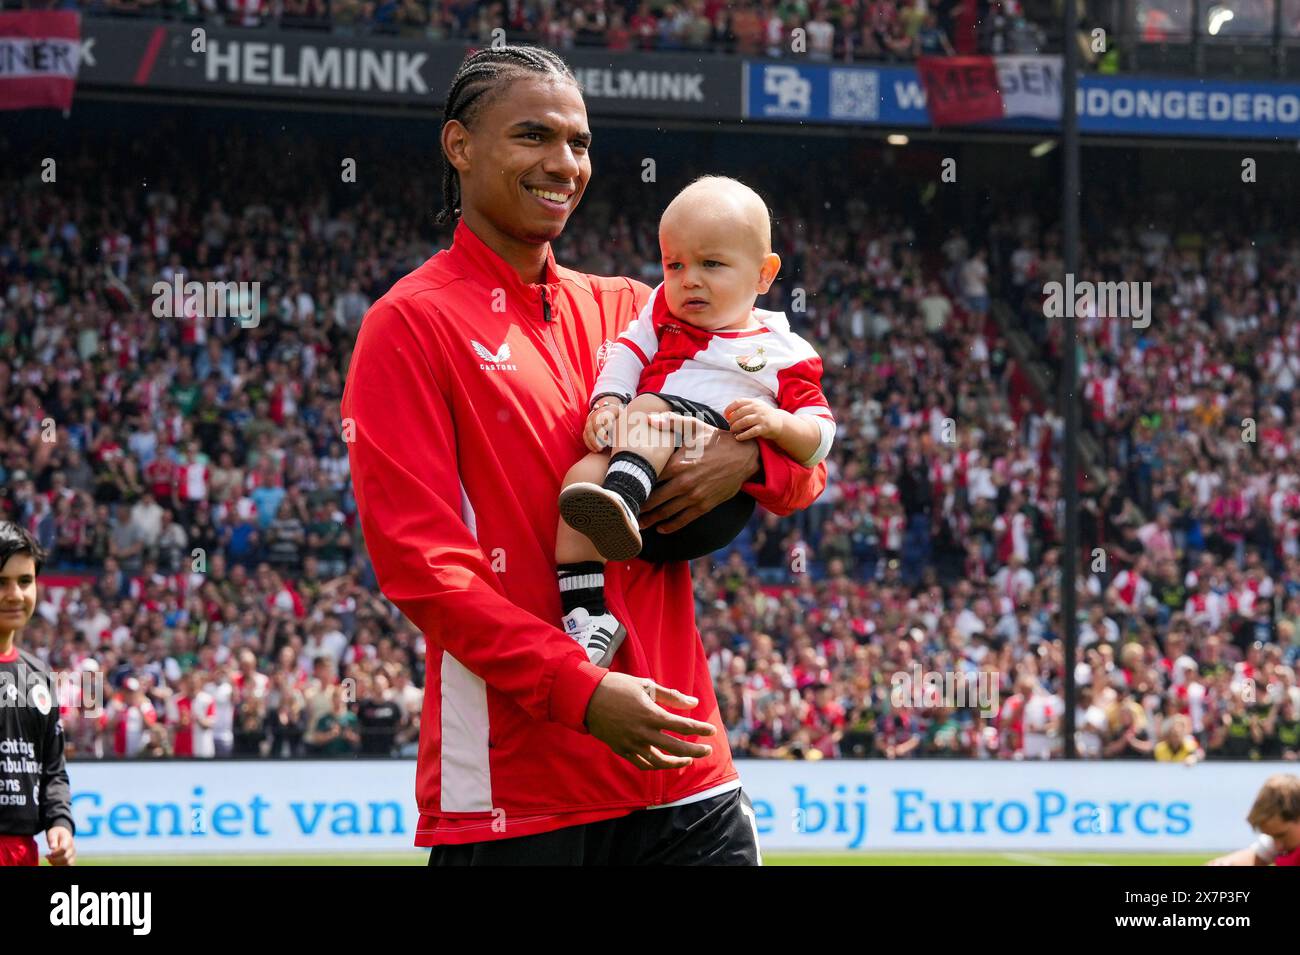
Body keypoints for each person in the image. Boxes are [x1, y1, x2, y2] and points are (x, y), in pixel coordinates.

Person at [341, 45, 825, 865]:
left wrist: (746, 462)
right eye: (534, 136)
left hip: (686, 770)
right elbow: (423, 568)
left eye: (581, 142)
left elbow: (806, 470)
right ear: (459, 146)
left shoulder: (641, 310)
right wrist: (582, 690)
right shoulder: (408, 324)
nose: (564, 163)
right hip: (521, 795)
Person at [555, 175, 835, 666]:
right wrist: (607, 401)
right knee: (579, 479)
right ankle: (587, 613)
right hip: (650, 483)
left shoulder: (785, 352)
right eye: (674, 263)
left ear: (764, 275)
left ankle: (621, 499)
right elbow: (626, 352)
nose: (689, 279)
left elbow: (820, 436)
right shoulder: (660, 309)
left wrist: (772, 426)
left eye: (711, 264)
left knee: (650, 410)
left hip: (710, 503)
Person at [0, 523, 76, 866]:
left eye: (24, 581)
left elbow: (52, 768)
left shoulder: (38, 675)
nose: (15, 594)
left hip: (21, 854)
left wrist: (59, 821)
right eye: (1, 583)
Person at [1207, 773, 1300, 866]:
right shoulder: (1280, 837)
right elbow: (1246, 859)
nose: (1277, 846)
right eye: (1272, 837)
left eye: (1281, 835)